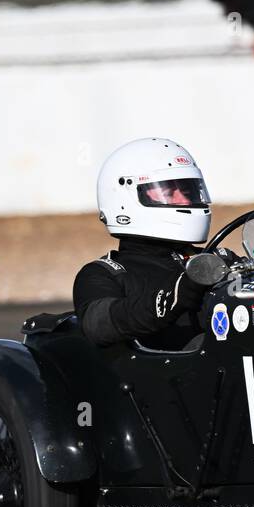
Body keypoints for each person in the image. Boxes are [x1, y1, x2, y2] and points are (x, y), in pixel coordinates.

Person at [73, 138, 214, 349]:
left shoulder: (212, 260)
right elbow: (99, 326)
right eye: (169, 192)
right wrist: (172, 298)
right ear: (124, 198)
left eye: (187, 191)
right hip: (163, 378)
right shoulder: (103, 274)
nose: (185, 200)